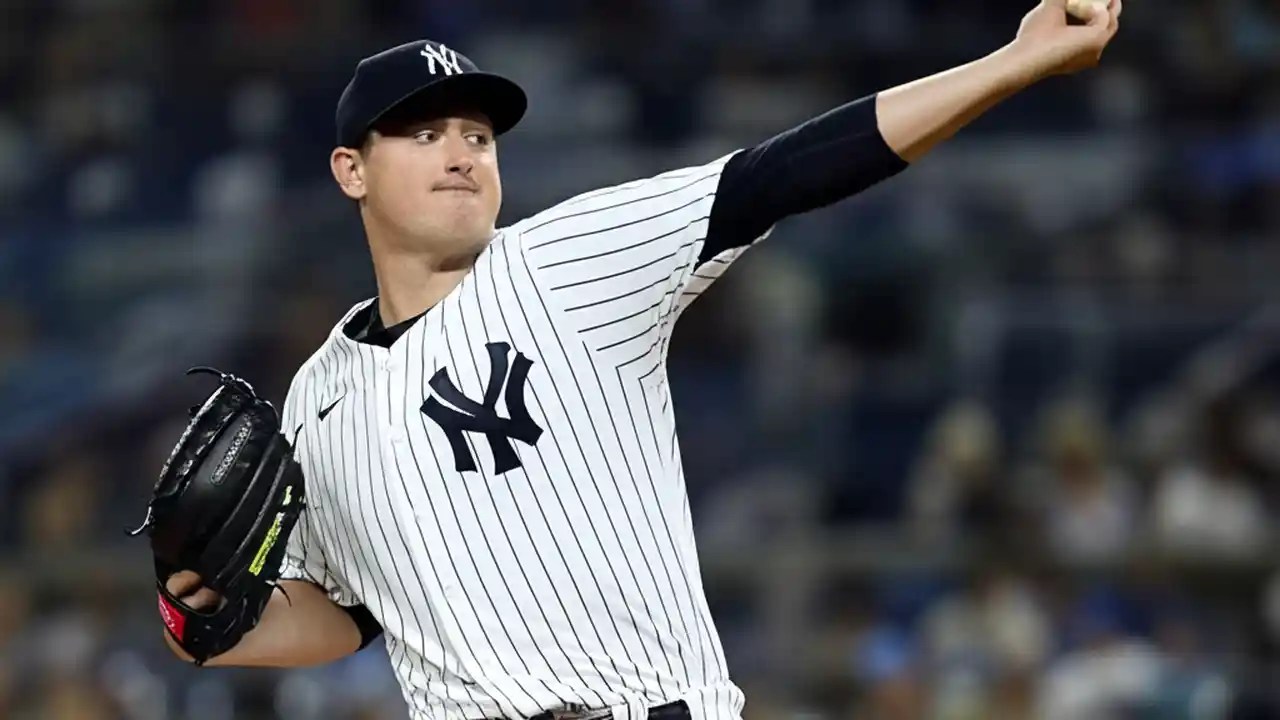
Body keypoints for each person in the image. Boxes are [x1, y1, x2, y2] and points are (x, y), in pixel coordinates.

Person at [163, 3, 1123, 718]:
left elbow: (780, 175)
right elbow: (355, 615)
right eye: (424, 134)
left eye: (478, 135)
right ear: (351, 170)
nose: (461, 154)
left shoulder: (565, 262)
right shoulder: (319, 394)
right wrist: (196, 622)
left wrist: (1014, 63)